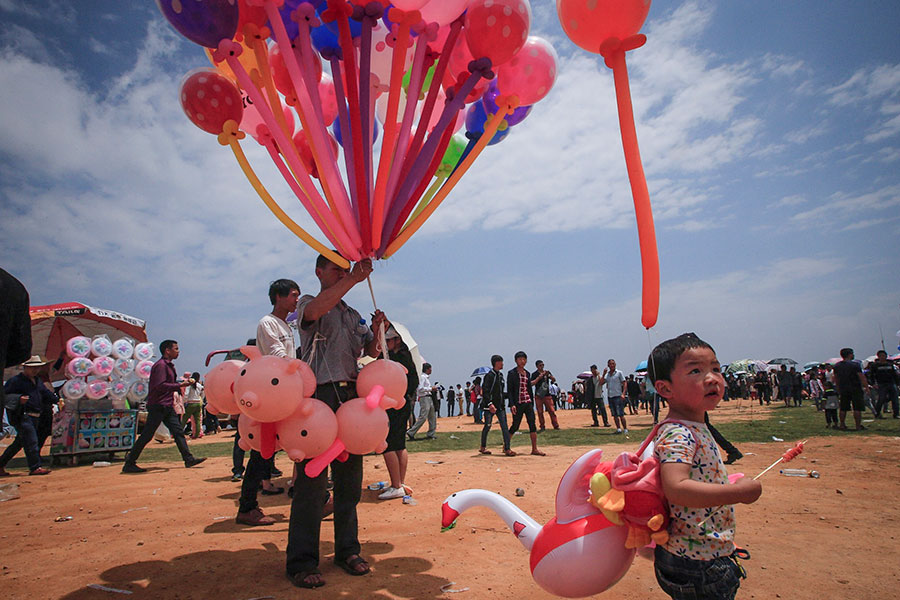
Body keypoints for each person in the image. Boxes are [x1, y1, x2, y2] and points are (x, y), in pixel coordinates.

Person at [286, 255, 387, 588]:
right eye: (336, 269)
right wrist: (353, 279)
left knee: (349, 482)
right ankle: (302, 561)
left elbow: (369, 350)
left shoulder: (352, 314)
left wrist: (378, 331)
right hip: (319, 400)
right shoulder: (308, 302)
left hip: (350, 399)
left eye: (345, 268)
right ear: (319, 272)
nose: (343, 273)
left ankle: (347, 550)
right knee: (311, 485)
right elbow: (315, 312)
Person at [648, 333, 762, 600]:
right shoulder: (679, 433)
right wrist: (739, 493)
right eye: (695, 371)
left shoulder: (694, 425)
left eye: (716, 368)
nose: (712, 378)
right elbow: (677, 488)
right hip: (698, 562)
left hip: (693, 554)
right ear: (665, 389)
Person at [235, 279, 300, 526]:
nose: (296, 300)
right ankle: (247, 507)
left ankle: (312, 496)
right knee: (263, 451)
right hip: (273, 394)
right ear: (278, 297)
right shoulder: (268, 323)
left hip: (286, 391)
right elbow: (277, 355)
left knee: (297, 440)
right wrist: (299, 371)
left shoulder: (287, 325)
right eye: (293, 295)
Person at [122, 340, 207, 473]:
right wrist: (180, 385)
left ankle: (188, 459)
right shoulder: (161, 366)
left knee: (178, 431)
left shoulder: (167, 365)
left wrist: (179, 384)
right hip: (158, 405)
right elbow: (160, 385)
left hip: (166, 405)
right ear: (167, 350)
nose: (178, 351)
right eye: (176, 349)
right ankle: (130, 462)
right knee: (147, 435)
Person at [378, 326, 417, 500]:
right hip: (403, 402)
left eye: (388, 341)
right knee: (399, 444)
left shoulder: (395, 359)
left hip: (394, 404)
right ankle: (399, 482)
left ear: (397, 340)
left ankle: (396, 485)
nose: (385, 344)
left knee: (388, 444)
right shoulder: (405, 357)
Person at [0, 355, 56, 476]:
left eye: (37, 367)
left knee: (19, 443)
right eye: (32, 367)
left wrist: (58, 400)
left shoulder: (38, 381)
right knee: (32, 440)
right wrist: (18, 399)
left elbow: (46, 394)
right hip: (22, 415)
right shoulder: (15, 381)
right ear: (25, 368)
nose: (35, 370)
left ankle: (0, 464)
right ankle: (35, 467)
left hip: (35, 416)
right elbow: (4, 396)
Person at [507, 351, 545, 456]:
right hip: (518, 403)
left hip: (528, 402)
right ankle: (506, 446)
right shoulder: (512, 373)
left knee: (532, 424)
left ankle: (534, 449)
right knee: (515, 425)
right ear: (516, 361)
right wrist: (512, 404)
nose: (522, 361)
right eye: (520, 359)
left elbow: (529, 388)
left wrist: (532, 402)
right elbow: (510, 390)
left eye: (524, 359)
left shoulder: (527, 373)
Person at [479, 355, 514, 456]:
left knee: (505, 427)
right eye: (501, 362)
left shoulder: (501, 376)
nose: (503, 364)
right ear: (496, 363)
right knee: (487, 426)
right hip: (489, 406)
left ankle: (507, 449)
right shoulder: (489, 376)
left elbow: (501, 392)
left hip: (500, 406)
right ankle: (483, 447)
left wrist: (510, 396)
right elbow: (485, 391)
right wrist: (490, 404)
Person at [833, 347, 869, 431]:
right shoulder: (855, 365)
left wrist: (838, 388)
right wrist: (866, 387)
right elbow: (861, 377)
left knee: (843, 408)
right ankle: (858, 426)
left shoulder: (837, 365)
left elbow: (836, 378)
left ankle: (842, 424)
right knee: (857, 408)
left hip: (843, 388)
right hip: (855, 388)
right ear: (849, 354)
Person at [407, 363, 436, 440]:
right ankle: (411, 432)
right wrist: (431, 389)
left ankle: (431, 433)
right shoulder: (423, 377)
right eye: (430, 369)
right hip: (424, 398)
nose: (431, 370)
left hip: (428, 397)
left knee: (432, 416)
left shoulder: (426, 378)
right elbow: (420, 388)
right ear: (427, 369)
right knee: (423, 416)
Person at [599, 359, 628, 433]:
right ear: (608, 365)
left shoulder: (619, 373)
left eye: (613, 364)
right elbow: (601, 383)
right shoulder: (607, 375)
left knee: (621, 414)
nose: (612, 365)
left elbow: (624, 383)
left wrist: (623, 393)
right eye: (610, 364)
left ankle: (625, 429)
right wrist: (603, 374)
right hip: (610, 396)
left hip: (618, 396)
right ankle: (618, 428)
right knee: (614, 415)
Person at [868, 350, 899, 419]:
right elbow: (871, 375)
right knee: (881, 399)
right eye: (881, 356)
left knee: (895, 399)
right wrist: (873, 383)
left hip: (891, 383)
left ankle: (896, 414)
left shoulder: (890, 364)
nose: (882, 357)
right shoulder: (875, 365)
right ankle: (877, 413)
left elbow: (894, 374)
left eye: (883, 356)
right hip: (881, 384)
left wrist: (897, 384)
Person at [531, 359, 559, 431]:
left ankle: (556, 425)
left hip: (547, 395)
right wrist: (539, 378)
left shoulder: (547, 372)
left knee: (552, 411)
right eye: (540, 365)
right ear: (537, 366)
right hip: (538, 395)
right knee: (540, 412)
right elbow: (531, 383)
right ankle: (542, 426)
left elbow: (554, 380)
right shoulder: (534, 374)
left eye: (543, 365)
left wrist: (549, 376)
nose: (542, 366)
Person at [180, 371, 204, 439]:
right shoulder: (199, 385)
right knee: (197, 420)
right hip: (198, 403)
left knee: (184, 420)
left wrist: (184, 401)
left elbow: (186, 395)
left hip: (191, 403)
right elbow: (202, 393)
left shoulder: (189, 385)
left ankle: (178, 434)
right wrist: (201, 399)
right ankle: (196, 435)